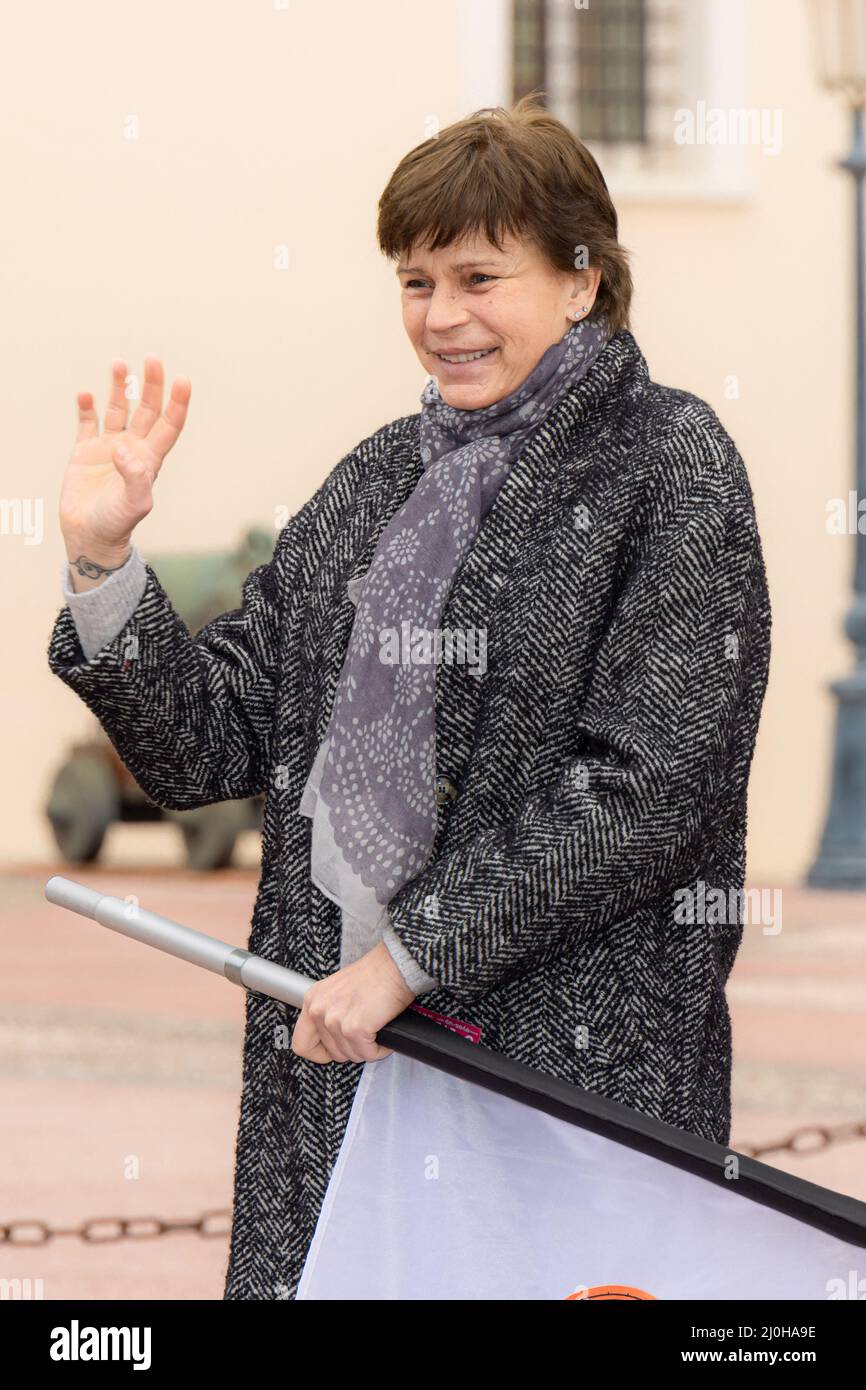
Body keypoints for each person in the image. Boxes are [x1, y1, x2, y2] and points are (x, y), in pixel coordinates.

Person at [47, 94, 772, 1300]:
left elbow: (644, 793)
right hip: (333, 1061)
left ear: (581, 281)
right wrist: (101, 567)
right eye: (414, 281)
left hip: (553, 1083)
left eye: (479, 277)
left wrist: (414, 958)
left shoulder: (669, 465)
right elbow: (210, 746)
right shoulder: (377, 476)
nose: (441, 318)